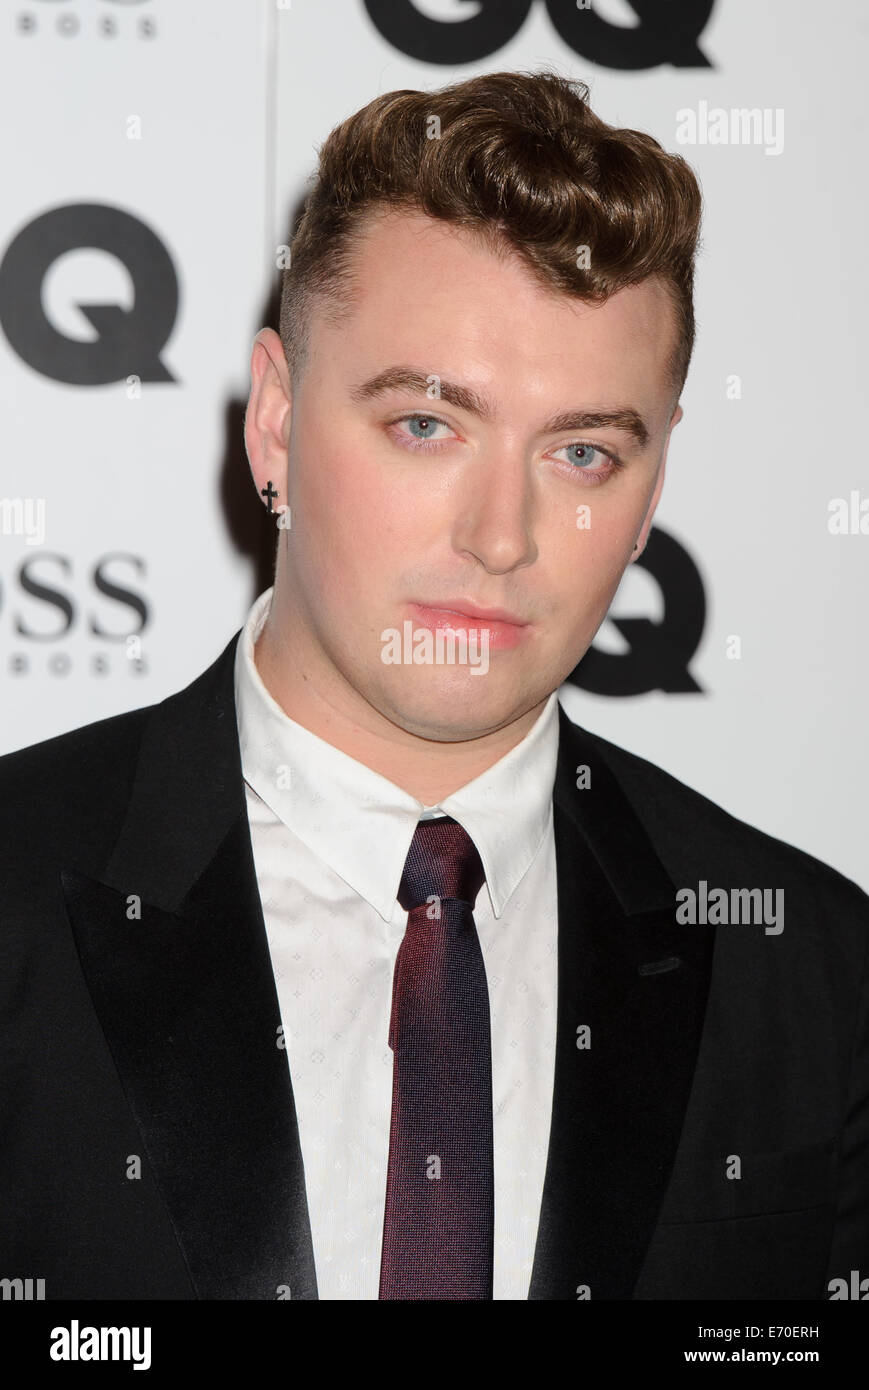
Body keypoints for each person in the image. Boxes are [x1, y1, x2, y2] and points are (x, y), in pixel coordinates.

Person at [1, 70, 866, 1302]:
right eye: (426, 424)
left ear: (650, 492)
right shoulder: (17, 897)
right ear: (277, 423)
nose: (501, 536)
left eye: (579, 451)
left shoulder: (810, 968)